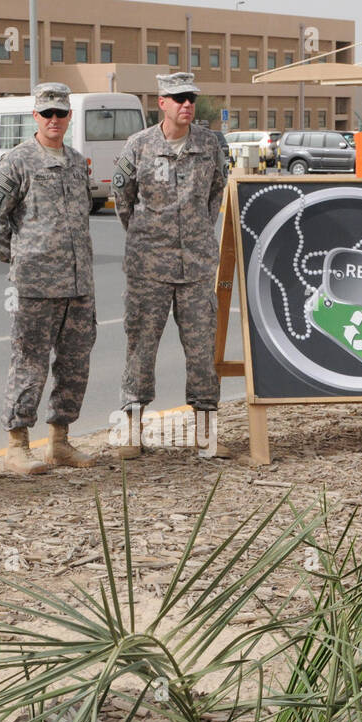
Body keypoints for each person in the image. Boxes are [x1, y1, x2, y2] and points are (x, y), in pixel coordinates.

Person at [112, 72, 231, 459]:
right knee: (140, 347)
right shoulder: (138, 146)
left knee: (201, 348)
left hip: (196, 266)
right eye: (178, 98)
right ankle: (132, 428)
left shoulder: (210, 145)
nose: (187, 105)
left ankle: (205, 431)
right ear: (161, 102)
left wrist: (195, 231)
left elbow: (217, 193)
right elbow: (123, 198)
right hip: (149, 265)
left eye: (191, 98)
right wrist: (148, 236)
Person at [0, 82, 98, 475]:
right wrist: (19, 260)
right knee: (29, 365)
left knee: (74, 364)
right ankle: (17, 445)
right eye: (46, 113)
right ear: (35, 116)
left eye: (60, 113)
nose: (53, 119)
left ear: (69, 117)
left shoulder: (77, 162)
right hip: (34, 287)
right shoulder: (17, 161)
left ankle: (60, 442)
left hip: (79, 286)